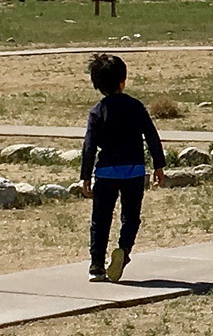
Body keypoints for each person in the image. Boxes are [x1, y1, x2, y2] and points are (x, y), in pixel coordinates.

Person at [80, 53, 166, 282]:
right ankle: (123, 250)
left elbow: (89, 145)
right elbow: (151, 136)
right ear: (123, 81)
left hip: (106, 171)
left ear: (97, 85)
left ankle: (96, 266)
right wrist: (159, 165)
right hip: (134, 170)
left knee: (101, 218)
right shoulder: (135, 106)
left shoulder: (97, 111)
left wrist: (85, 175)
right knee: (131, 217)